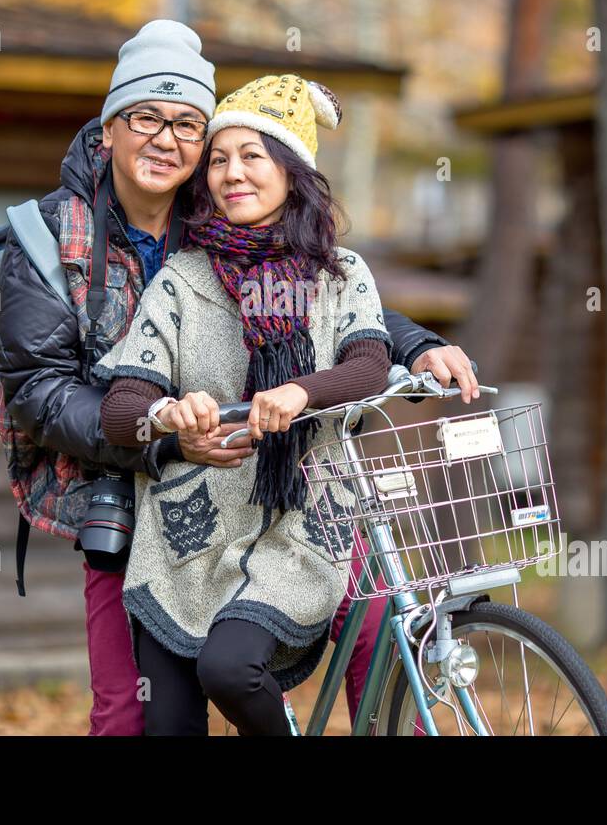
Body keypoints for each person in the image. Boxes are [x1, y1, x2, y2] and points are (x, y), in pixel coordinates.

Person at [0, 20, 479, 735]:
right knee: (133, 714)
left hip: (286, 482)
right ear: (108, 130)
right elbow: (37, 391)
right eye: (146, 118)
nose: (168, 140)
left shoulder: (217, 209)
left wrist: (415, 343)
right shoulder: (50, 236)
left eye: (188, 124)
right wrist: (165, 436)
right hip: (125, 487)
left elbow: (328, 290)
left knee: (376, 627)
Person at [96, 73, 438, 734]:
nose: (232, 173)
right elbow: (121, 406)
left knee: (229, 668)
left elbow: (368, 366)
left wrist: (298, 391)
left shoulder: (340, 274)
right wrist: (168, 414)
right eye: (219, 159)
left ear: (291, 170)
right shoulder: (181, 281)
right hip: (184, 539)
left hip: (298, 529)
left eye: (252, 156)